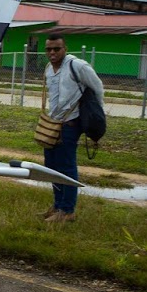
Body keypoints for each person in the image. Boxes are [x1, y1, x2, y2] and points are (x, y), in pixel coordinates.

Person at [41, 37, 103, 223]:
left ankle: (68, 210)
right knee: (51, 166)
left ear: (65, 48)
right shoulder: (48, 69)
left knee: (66, 166)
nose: (52, 53)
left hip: (71, 123)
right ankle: (58, 205)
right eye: (49, 49)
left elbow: (98, 88)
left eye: (56, 49)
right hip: (53, 123)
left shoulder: (78, 66)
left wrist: (96, 118)